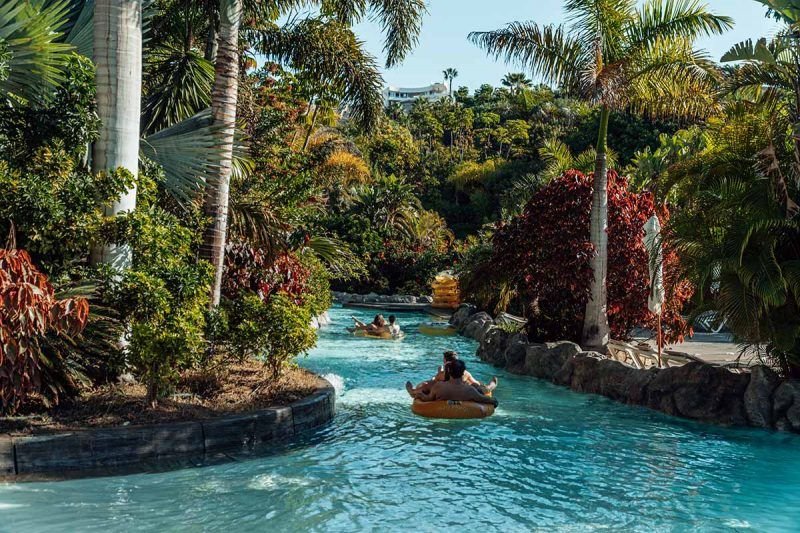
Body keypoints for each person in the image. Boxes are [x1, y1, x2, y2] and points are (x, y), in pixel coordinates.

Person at [407, 360, 497, 407]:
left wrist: (420, 395)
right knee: (479, 388)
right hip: (466, 410)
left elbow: (428, 399)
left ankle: (491, 385)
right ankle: (492, 385)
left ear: (449, 372)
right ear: (463, 373)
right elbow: (484, 399)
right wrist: (494, 401)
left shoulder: (439, 387)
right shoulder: (470, 390)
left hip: (439, 411)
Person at [406, 351, 497, 397]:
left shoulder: (442, 374)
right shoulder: (465, 373)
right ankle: (490, 386)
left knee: (429, 384)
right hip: (462, 391)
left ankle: (412, 391)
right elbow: (476, 383)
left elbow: (434, 381)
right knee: (476, 385)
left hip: (445, 392)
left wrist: (438, 373)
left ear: (445, 361)